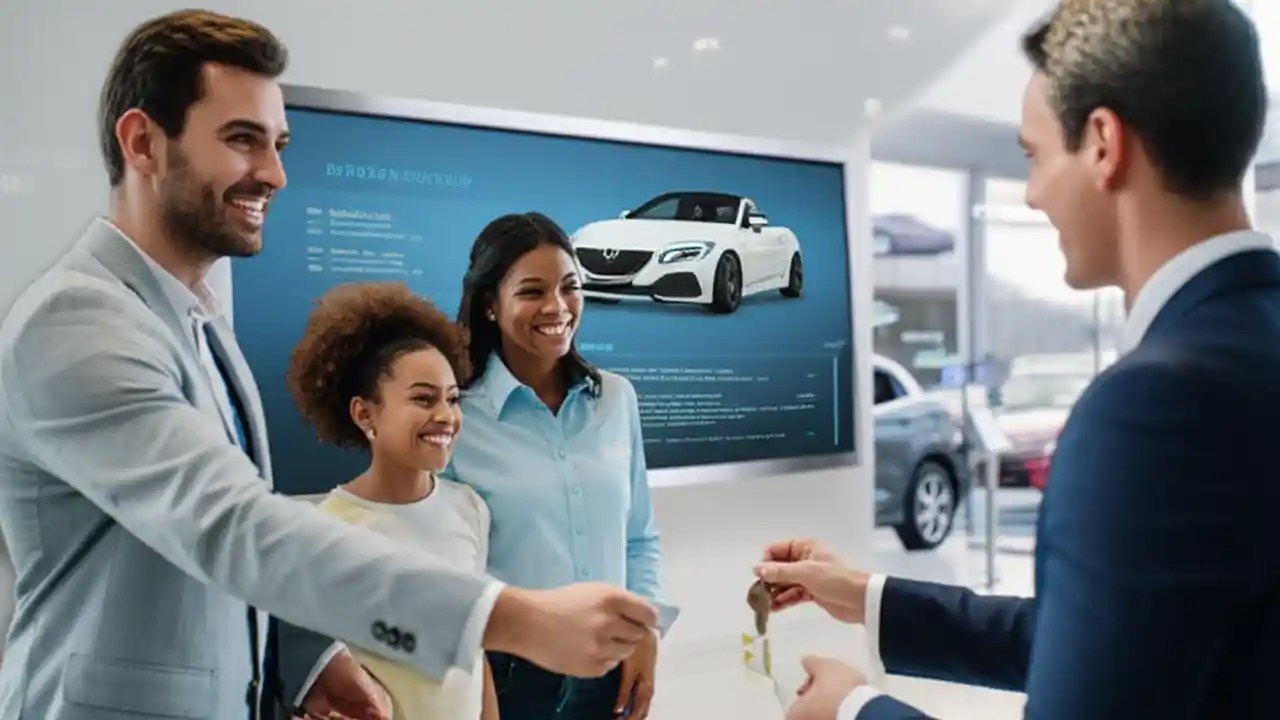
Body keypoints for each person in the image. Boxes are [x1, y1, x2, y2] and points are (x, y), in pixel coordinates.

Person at [0, 11, 657, 720]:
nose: (276, 174)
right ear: (142, 143)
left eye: (279, 144)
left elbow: (217, 561)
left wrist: (308, 658)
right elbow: (233, 527)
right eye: (242, 140)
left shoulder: (200, 322)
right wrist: (518, 620)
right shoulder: (79, 320)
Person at [756, 1, 1279, 718]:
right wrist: (870, 597)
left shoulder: (1154, 407)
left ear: (1103, 143)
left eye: (1033, 156)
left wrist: (854, 711)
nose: (1032, 195)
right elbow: (1127, 637)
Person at [448, 212, 675, 719]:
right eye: (532, 291)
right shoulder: (455, 417)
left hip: (611, 662)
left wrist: (646, 633)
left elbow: (639, 537)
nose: (557, 307)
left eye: (570, 287)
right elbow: (447, 574)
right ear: (490, 304)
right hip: (508, 676)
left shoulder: (616, 399)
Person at [286, 282, 499, 720]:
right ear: (365, 414)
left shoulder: (470, 508)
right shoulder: (325, 529)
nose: (445, 415)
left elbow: (476, 649)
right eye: (423, 398)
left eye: (453, 398)